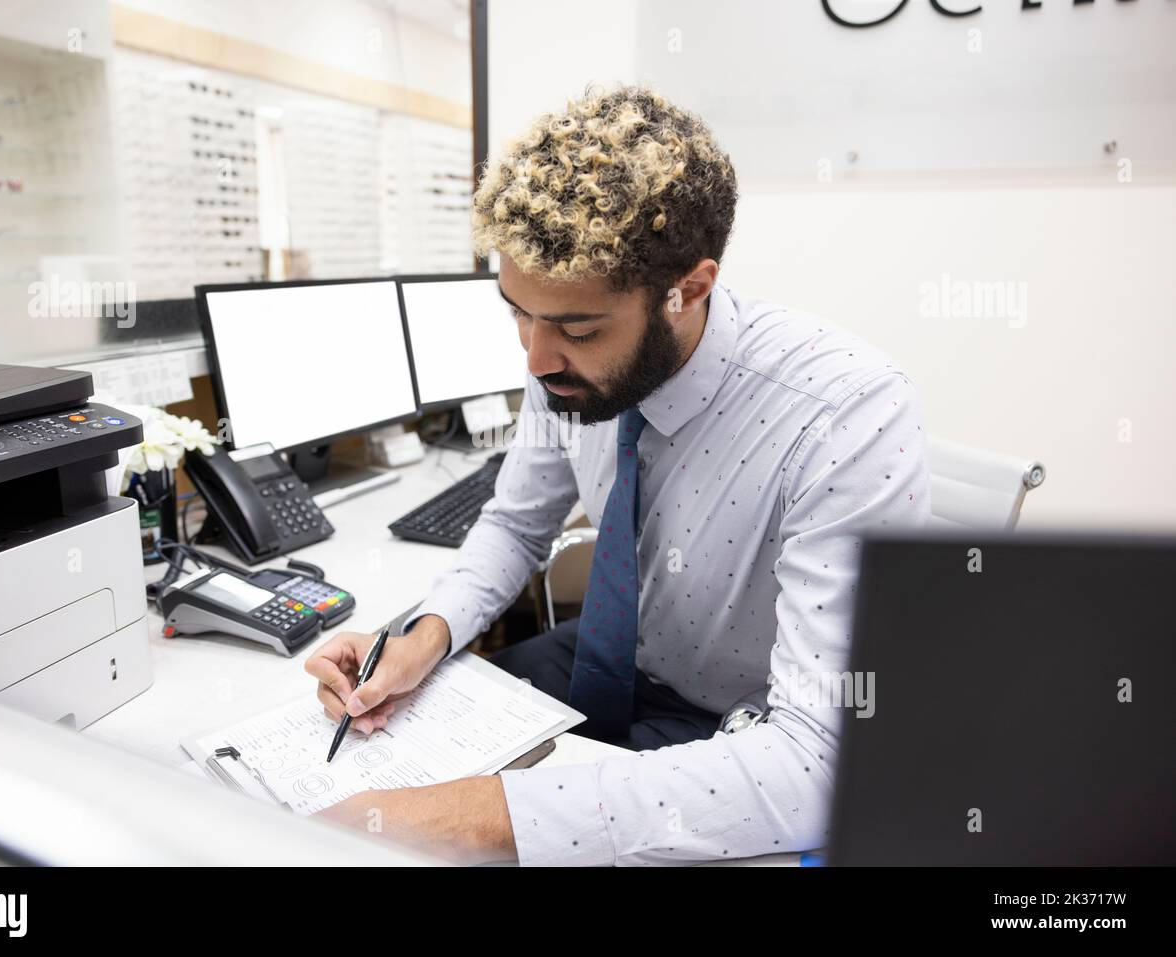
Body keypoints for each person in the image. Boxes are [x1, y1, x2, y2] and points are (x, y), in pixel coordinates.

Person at [306, 85, 930, 866]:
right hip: (609, 661)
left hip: (740, 717)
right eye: (517, 314)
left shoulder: (846, 411)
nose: (534, 361)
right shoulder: (557, 365)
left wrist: (477, 816)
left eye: (578, 327)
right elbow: (515, 524)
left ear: (688, 291)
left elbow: (819, 763)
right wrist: (425, 636)